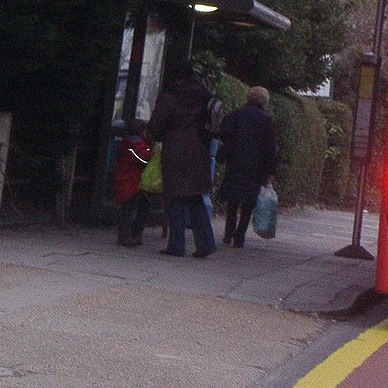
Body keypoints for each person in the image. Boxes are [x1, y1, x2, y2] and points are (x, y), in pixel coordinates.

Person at [147, 58, 218, 258]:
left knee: (174, 196)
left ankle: (176, 245)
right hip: (199, 149)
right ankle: (206, 244)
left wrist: (158, 136)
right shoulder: (203, 94)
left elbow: (156, 124)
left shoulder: (170, 95)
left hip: (176, 149)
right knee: (195, 197)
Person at [216, 86, 277, 248]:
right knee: (248, 203)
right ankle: (239, 236)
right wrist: (270, 170)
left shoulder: (236, 115)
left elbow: (224, 134)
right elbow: (270, 148)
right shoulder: (266, 121)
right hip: (255, 167)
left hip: (235, 162)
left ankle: (228, 233)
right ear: (264, 101)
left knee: (233, 201)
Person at [111, 120, 154, 247]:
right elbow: (141, 158)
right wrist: (154, 156)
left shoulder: (131, 143)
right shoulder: (134, 144)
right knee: (130, 210)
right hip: (130, 182)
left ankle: (132, 234)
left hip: (132, 181)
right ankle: (127, 236)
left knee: (136, 208)